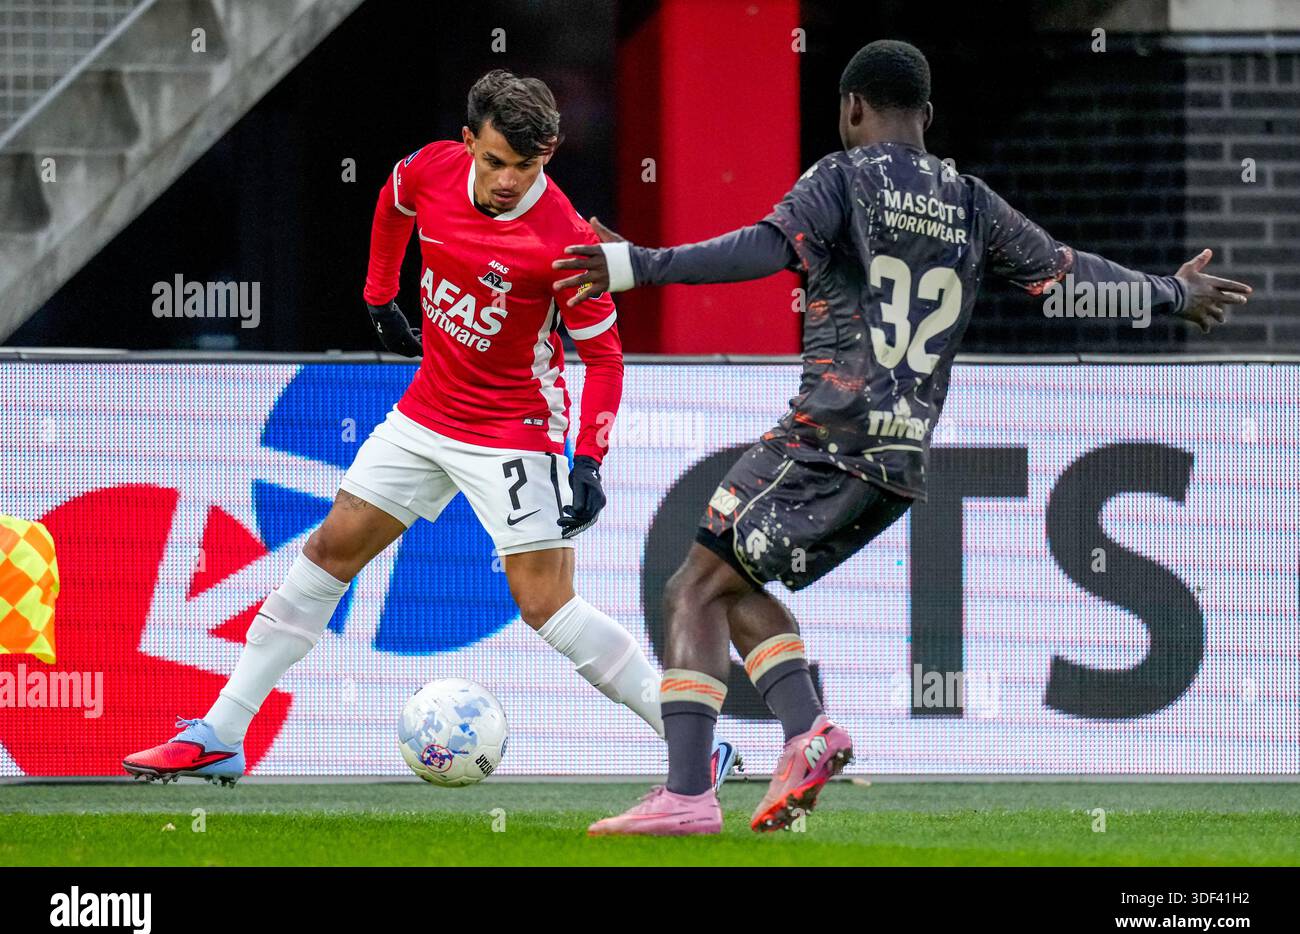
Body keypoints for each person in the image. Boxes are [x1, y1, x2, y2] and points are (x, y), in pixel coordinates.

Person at [557, 41, 1252, 835]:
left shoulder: (842, 177)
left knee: (691, 586)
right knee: (730, 582)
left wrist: (642, 264)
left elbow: (763, 246)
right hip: (901, 458)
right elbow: (1066, 279)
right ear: (925, 115)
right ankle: (807, 733)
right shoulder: (972, 202)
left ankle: (687, 795)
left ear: (852, 107)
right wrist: (1169, 291)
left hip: (826, 432)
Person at [123, 70, 739, 790]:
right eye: (496, 162)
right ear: (468, 140)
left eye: (528, 167)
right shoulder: (431, 168)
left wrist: (589, 460)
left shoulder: (566, 243)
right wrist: (379, 294)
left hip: (514, 429)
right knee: (328, 551)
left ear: (550, 155)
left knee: (545, 603)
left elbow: (602, 356)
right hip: (425, 412)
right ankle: (222, 734)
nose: (509, 181)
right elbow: (393, 203)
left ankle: (695, 746)